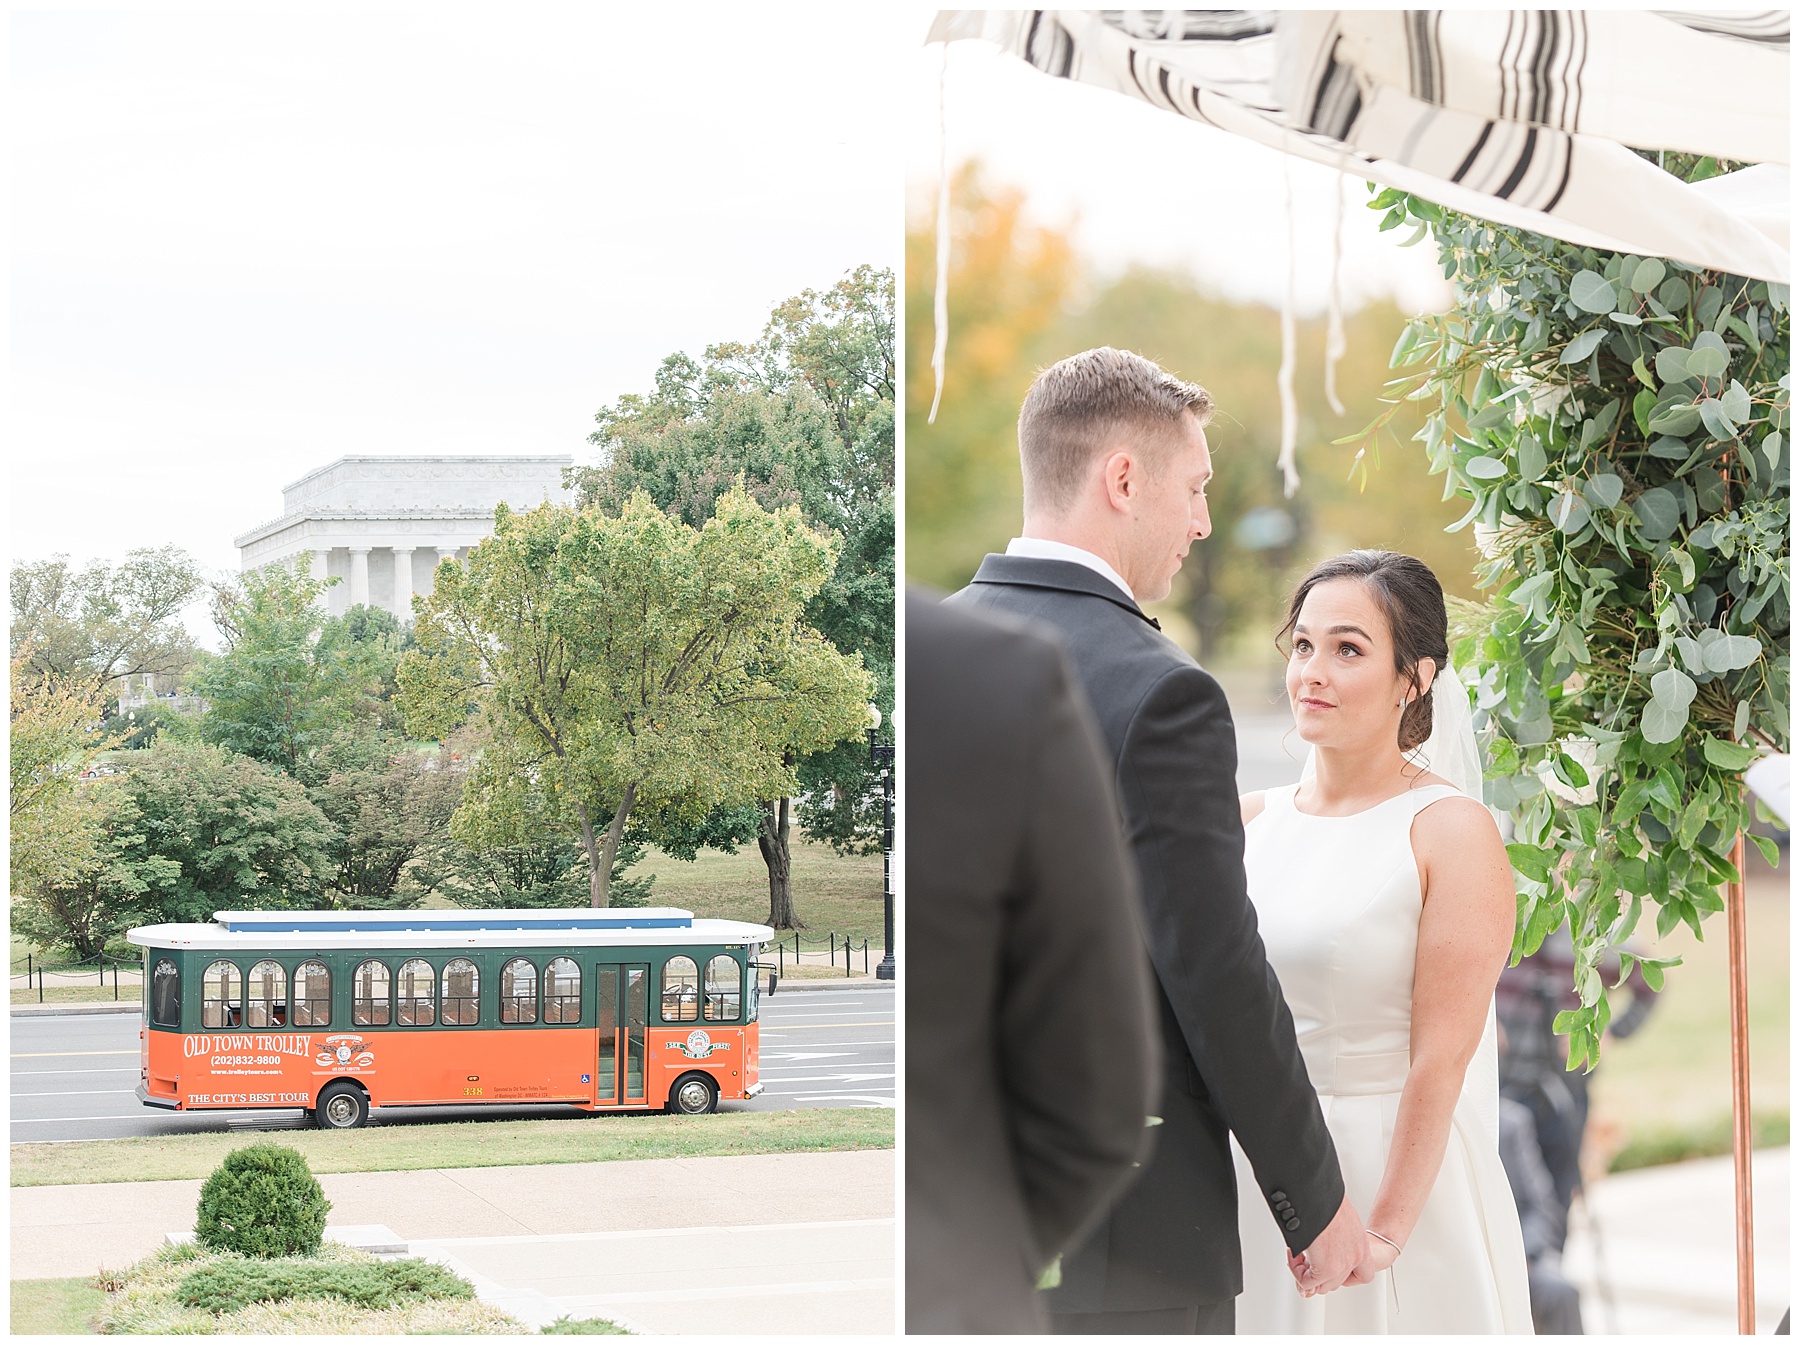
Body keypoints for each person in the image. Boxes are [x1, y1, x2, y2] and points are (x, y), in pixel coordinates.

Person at [949, 347, 1363, 1333]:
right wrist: (1317, 1200)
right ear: (1123, 480)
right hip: (1122, 1244)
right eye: (1196, 487)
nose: (1203, 521)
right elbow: (1215, 969)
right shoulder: (1160, 693)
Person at [1233, 550, 1533, 1332]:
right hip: (1252, 1173)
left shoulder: (1450, 831)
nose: (1313, 672)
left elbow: (1442, 1055)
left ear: (1415, 678)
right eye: (1303, 645)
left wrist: (1386, 1232)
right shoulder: (1244, 823)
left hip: (1384, 1173)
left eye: (1348, 648)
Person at [907, 588, 1162, 1334]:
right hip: (959, 1292)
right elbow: (1099, 1097)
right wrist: (978, 1250)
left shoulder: (997, 662)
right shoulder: (998, 675)